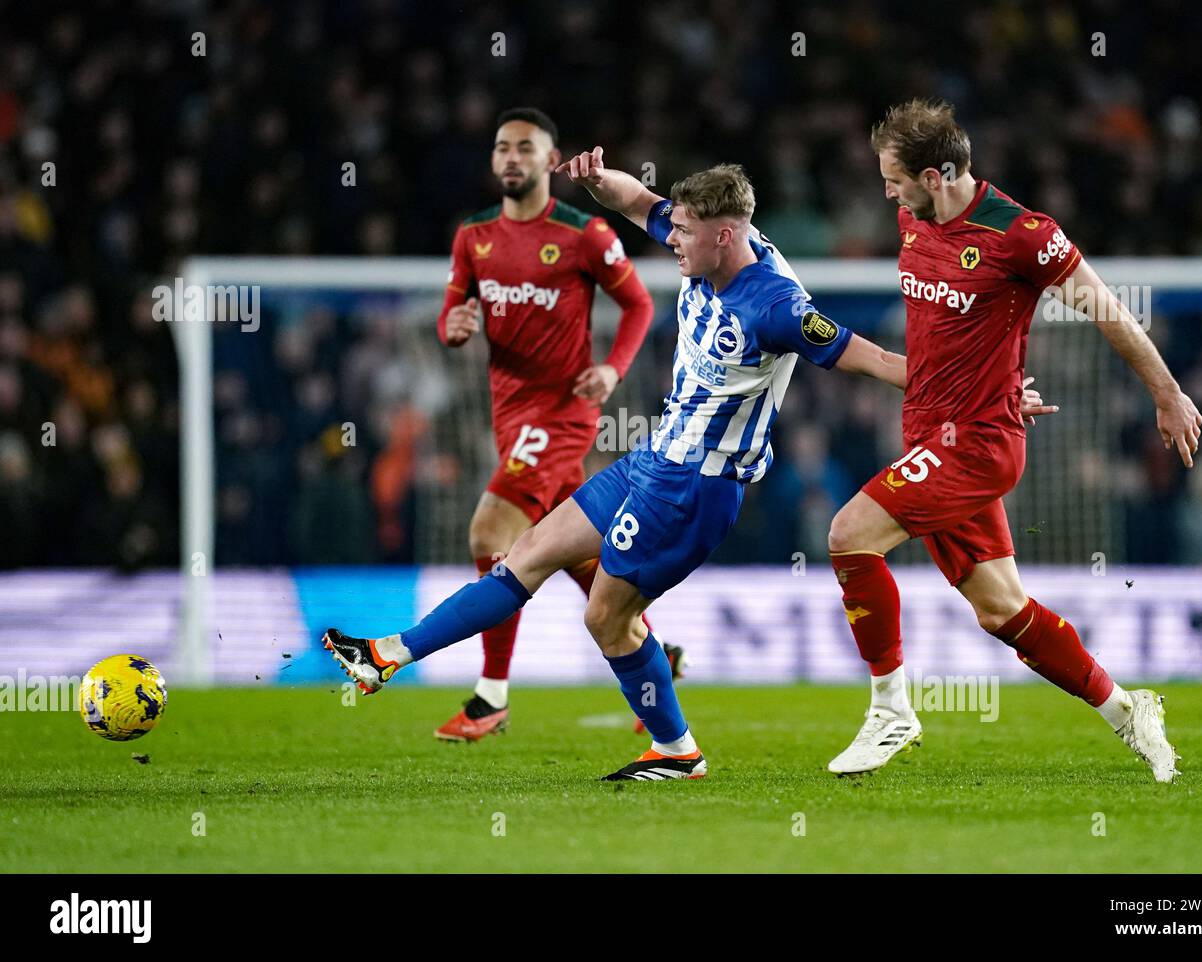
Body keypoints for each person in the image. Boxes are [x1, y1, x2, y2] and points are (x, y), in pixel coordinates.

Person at [325, 155, 913, 780]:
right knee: (528, 551)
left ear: (724, 234)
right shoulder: (707, 242)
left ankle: (677, 750)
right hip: (654, 457)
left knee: (606, 616)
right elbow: (639, 203)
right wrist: (599, 181)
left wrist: (973, 394)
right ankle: (387, 654)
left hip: (696, 485)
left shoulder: (778, 307)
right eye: (675, 228)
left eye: (683, 233)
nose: (671, 241)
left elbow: (872, 358)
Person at [825, 100, 1202, 783]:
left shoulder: (1023, 234)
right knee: (1002, 610)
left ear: (935, 175)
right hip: (932, 432)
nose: (887, 193)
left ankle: (890, 711)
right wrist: (998, 385)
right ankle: (1129, 710)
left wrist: (1167, 393)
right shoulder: (914, 218)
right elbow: (950, 339)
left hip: (974, 446)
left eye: (894, 179)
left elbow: (1107, 310)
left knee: (848, 532)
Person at [430, 107, 666, 741]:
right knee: (569, 545)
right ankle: (652, 654)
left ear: (549, 159)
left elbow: (639, 303)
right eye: (502, 147)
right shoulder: (472, 236)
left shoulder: (584, 232)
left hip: (564, 412)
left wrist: (613, 371)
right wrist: (451, 330)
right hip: (509, 413)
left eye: (525, 148)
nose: (512, 157)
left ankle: (491, 697)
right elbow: (453, 312)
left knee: (490, 529)